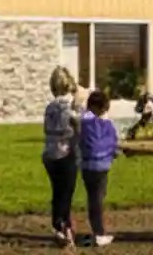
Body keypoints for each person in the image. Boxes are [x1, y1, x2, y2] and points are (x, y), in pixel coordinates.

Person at [42, 66, 81, 246]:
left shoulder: (50, 107)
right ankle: (63, 227)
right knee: (66, 193)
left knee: (57, 192)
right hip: (65, 153)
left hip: (49, 154)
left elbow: (46, 129)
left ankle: (59, 225)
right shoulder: (71, 106)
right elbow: (78, 126)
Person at [79, 90, 119, 247]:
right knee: (98, 199)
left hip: (87, 166)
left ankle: (97, 229)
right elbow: (113, 144)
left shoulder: (82, 121)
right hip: (101, 166)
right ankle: (99, 233)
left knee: (94, 198)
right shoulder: (106, 124)